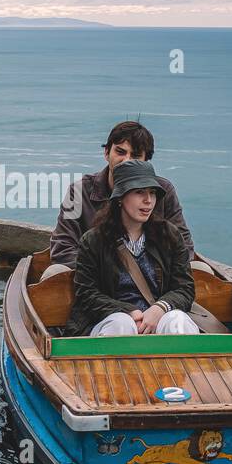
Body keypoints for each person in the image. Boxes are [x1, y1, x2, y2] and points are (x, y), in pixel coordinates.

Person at [64, 159, 199, 337]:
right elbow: (86, 293)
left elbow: (185, 288)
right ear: (120, 197)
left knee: (177, 320)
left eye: (152, 193)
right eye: (139, 192)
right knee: (121, 324)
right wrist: (127, 311)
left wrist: (160, 308)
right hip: (109, 320)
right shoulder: (93, 241)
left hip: (157, 319)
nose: (148, 200)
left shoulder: (169, 235)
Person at [46, 120, 197, 278]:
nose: (126, 160)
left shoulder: (163, 191)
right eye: (120, 152)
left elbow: (184, 247)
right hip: (94, 277)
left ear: (145, 162)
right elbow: (63, 249)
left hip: (153, 278)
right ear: (106, 153)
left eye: (136, 156)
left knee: (200, 268)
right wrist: (112, 275)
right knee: (54, 272)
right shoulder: (79, 191)